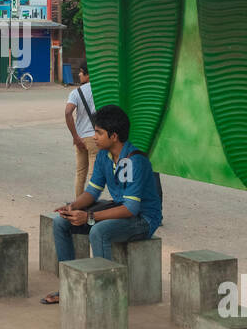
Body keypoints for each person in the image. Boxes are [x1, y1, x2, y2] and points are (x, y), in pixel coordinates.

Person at [42, 104, 162, 304]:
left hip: (143, 219)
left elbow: (131, 209)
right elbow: (92, 192)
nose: (94, 136)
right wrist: (73, 206)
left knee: (99, 231)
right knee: (60, 222)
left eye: (99, 132)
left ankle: (106, 296)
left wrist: (89, 217)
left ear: (114, 136)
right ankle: (70, 285)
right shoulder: (103, 156)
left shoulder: (134, 161)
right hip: (120, 209)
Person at [65, 61, 98, 198]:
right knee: (93, 175)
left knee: (80, 173)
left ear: (88, 75)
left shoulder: (76, 93)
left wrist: (75, 137)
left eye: (81, 72)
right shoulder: (101, 91)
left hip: (80, 138)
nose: (79, 74)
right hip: (95, 139)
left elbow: (68, 113)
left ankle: (78, 203)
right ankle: (89, 203)